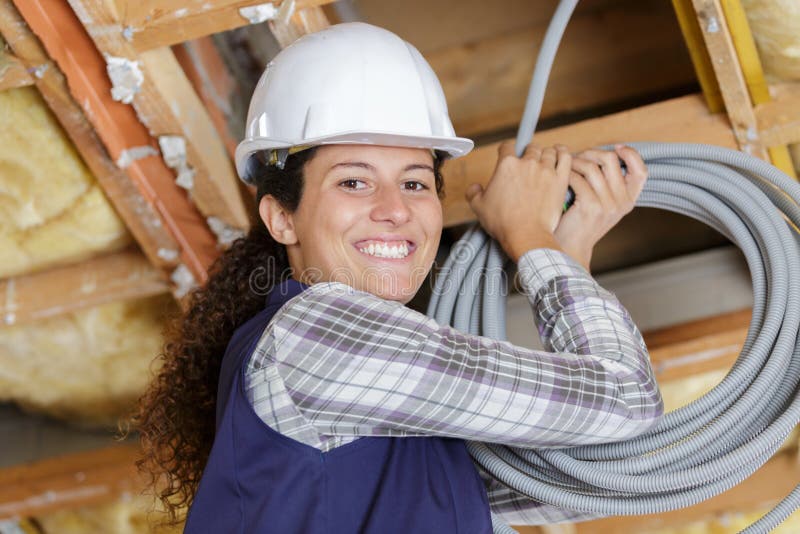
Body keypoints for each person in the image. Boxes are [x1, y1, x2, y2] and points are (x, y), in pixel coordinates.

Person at [133, 22, 663, 533]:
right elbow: (627, 402)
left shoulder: (399, 405)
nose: (395, 209)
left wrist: (565, 249)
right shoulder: (313, 335)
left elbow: (593, 474)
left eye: (414, 184)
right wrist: (528, 234)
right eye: (354, 182)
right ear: (281, 218)